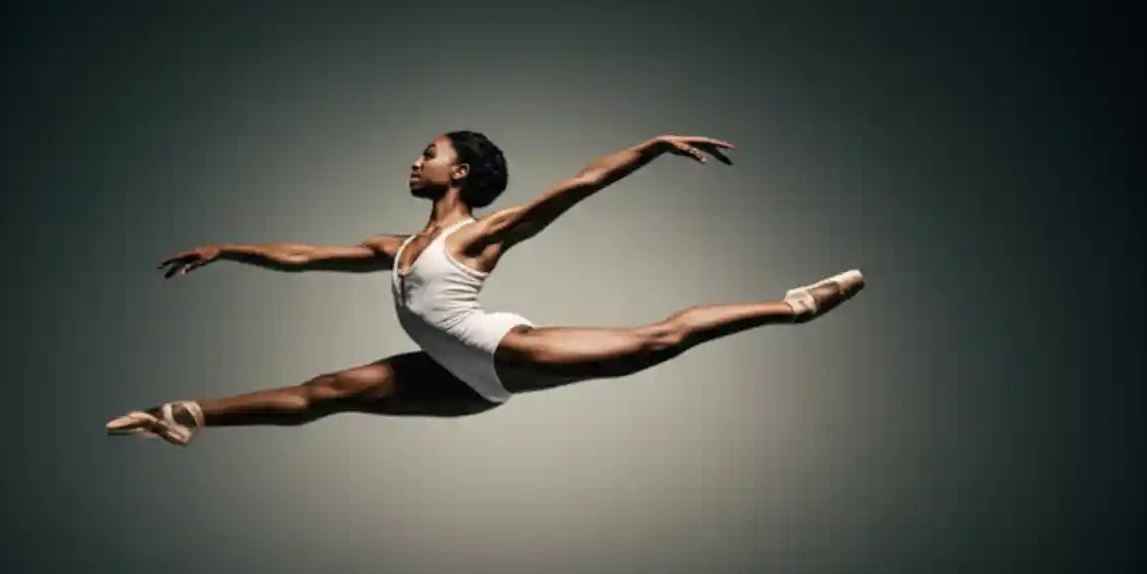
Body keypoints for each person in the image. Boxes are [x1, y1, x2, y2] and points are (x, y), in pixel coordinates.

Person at [106, 131, 864, 445]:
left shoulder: (481, 233)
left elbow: (579, 185)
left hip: (499, 348)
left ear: (458, 172)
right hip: (459, 382)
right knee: (324, 391)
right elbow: (303, 255)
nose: (416, 161)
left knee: (652, 343)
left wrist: (653, 146)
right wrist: (229, 249)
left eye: (427, 154)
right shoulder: (396, 245)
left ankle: (790, 306)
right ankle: (181, 415)